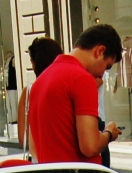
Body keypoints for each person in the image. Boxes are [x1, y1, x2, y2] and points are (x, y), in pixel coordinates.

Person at [27, 23, 124, 165]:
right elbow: (90, 147)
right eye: (107, 66)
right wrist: (109, 134)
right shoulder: (82, 79)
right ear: (99, 51)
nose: (102, 74)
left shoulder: (39, 82)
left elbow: (33, 147)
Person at [19, 37, 63, 160]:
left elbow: (23, 137)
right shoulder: (66, 86)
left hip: (38, 160)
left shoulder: (28, 91)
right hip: (66, 160)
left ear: (36, 63)